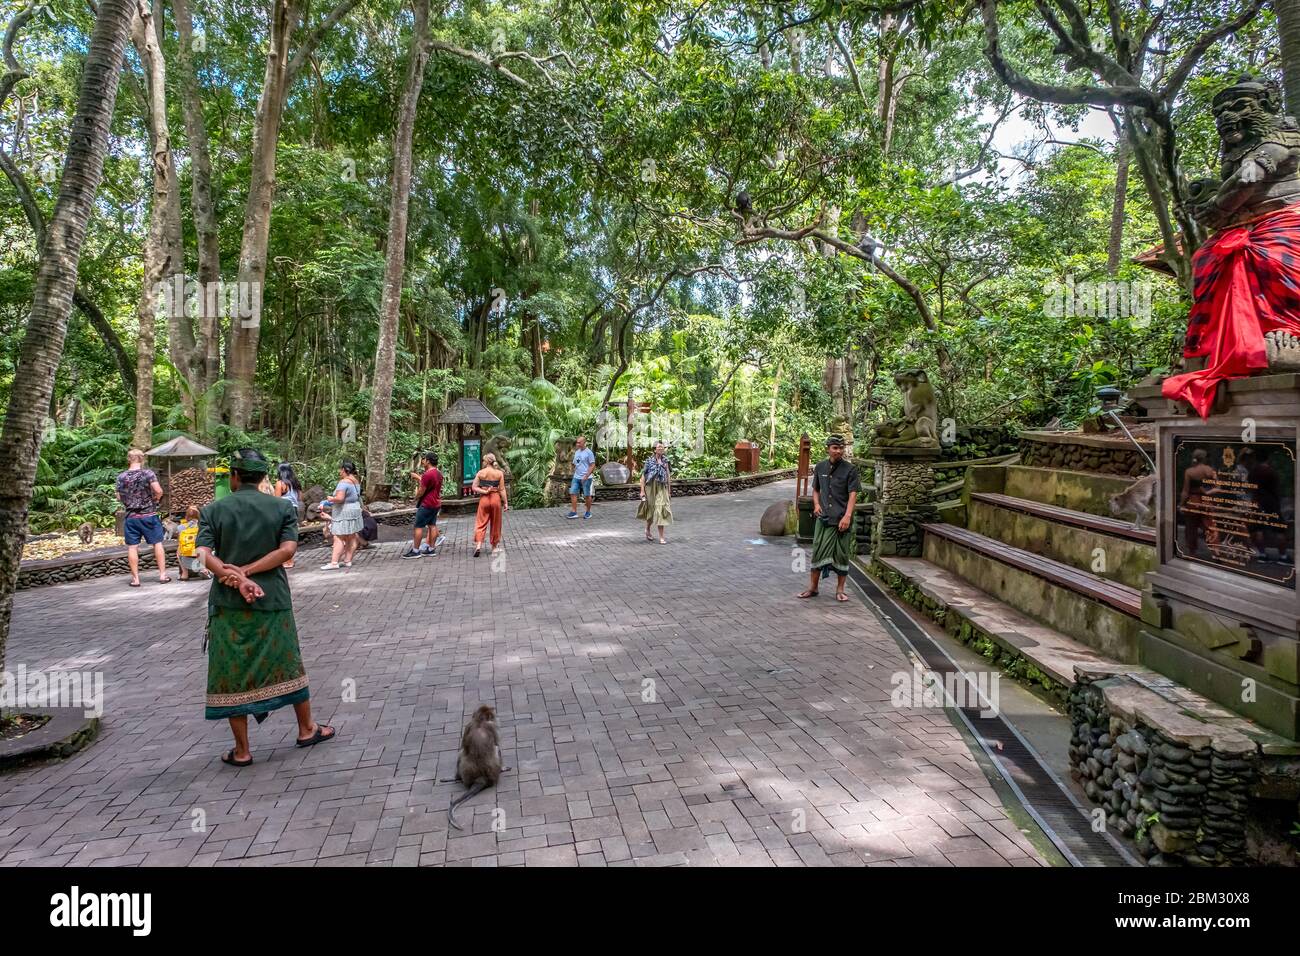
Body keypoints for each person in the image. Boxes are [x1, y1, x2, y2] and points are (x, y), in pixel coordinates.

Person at [196, 448, 335, 767]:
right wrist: (250, 571)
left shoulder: (213, 510)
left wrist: (232, 573)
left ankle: (242, 750)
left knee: (232, 671)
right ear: (262, 477)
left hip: (228, 602)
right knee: (287, 661)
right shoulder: (280, 508)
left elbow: (201, 554)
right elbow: (288, 550)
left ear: (234, 476)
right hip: (271, 598)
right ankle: (306, 729)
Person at [799, 435, 861, 603]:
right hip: (823, 517)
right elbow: (816, 489)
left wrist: (848, 516)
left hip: (842, 519)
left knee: (841, 554)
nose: (838, 451)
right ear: (828, 448)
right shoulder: (820, 467)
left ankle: (840, 590)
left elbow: (853, 494)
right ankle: (813, 587)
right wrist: (816, 505)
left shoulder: (850, 470)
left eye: (841, 448)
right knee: (818, 551)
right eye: (835, 447)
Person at [116, 449, 170, 587]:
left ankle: (135, 579)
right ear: (142, 459)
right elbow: (158, 490)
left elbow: (118, 496)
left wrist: (129, 502)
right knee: (157, 543)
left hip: (131, 516)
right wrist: (155, 499)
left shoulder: (121, 477)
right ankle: (163, 575)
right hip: (149, 515)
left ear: (129, 459)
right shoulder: (148, 473)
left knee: (132, 547)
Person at [321, 460, 363, 570]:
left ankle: (334, 563)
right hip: (355, 510)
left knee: (338, 536)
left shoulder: (344, 482)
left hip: (344, 512)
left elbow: (340, 499)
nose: (340, 472)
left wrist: (331, 498)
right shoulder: (356, 481)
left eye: (341, 469)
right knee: (352, 536)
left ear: (344, 470)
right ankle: (348, 560)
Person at [404, 452, 444, 558]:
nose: (423, 461)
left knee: (418, 526)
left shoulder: (427, 474)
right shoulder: (439, 473)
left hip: (426, 503)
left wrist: (415, 498)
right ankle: (431, 549)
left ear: (428, 461)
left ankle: (415, 551)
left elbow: (422, 489)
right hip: (436, 502)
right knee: (432, 525)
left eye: (424, 459)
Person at [471, 452, 508, 557]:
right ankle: (494, 548)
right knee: (496, 523)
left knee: (481, 522)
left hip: (484, 500)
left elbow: (474, 487)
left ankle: (478, 545)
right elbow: (502, 489)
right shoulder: (499, 473)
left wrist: (484, 492)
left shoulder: (481, 473)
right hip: (495, 499)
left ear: (486, 461)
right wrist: (505, 503)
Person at [638, 441, 673, 544]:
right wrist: (642, 491)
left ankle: (662, 537)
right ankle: (648, 529)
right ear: (654, 449)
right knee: (651, 510)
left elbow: (668, 476)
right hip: (650, 487)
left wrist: (669, 491)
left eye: (662, 448)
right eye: (659, 448)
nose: (661, 449)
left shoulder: (666, 461)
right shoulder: (649, 461)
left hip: (661, 487)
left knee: (661, 509)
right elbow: (643, 476)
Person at [273, 463, 303, 569]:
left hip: (283, 510)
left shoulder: (280, 483)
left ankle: (286, 561)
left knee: (282, 535)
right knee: (291, 534)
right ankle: (290, 560)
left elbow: (276, 500)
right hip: (294, 509)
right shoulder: (296, 483)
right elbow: (300, 498)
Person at [566, 435, 596, 519]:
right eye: (577, 442)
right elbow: (576, 463)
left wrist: (586, 476)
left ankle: (588, 512)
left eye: (579, 442)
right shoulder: (577, 452)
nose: (577, 444)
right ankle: (574, 512)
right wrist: (573, 468)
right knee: (572, 492)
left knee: (587, 495)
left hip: (586, 477)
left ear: (584, 443)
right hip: (576, 477)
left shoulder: (589, 452)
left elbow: (592, 465)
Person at [176, 505, 208, 581]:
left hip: (186, 555)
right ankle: (205, 570)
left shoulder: (181, 527)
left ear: (186, 515)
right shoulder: (203, 526)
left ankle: (184, 574)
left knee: (178, 550)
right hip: (201, 554)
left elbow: (179, 541)